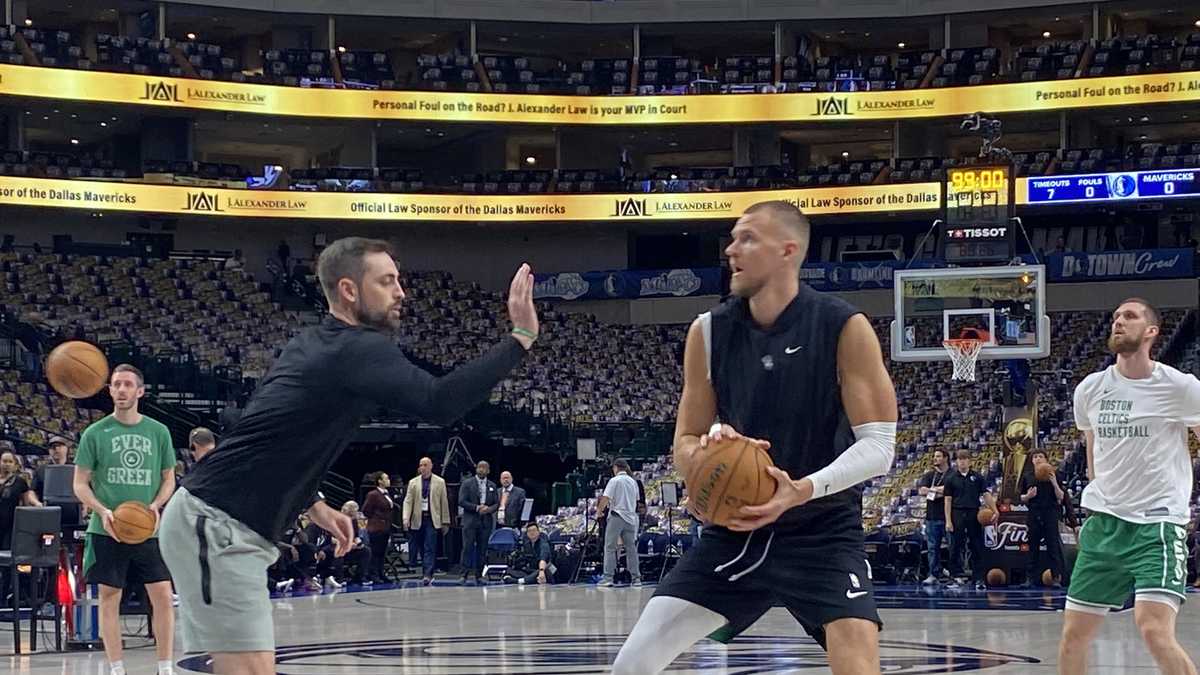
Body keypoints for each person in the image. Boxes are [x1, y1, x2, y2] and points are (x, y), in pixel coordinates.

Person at [159, 237, 538, 675]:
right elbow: (440, 401)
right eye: (387, 281)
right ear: (349, 290)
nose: (401, 292)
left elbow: (267, 433)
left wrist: (314, 504)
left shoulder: (312, 343)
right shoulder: (357, 349)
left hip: (222, 523)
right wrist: (520, 338)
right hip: (216, 524)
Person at [612, 201, 897, 674]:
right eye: (732, 237)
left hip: (821, 532)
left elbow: (880, 447)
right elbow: (685, 440)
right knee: (630, 666)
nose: (731, 250)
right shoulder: (708, 332)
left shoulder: (843, 326)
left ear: (788, 251)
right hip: (735, 531)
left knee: (859, 664)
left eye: (747, 239)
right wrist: (704, 454)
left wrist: (799, 490)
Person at [1058, 298, 1199, 675]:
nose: (1119, 321)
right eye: (1116, 316)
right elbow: (1093, 446)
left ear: (1151, 331)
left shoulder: (1180, 387)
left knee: (1153, 629)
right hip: (1104, 523)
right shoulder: (1090, 389)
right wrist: (1097, 491)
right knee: (1073, 637)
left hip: (1157, 524)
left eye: (1130, 316)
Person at [72, 364, 177, 675]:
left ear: (140, 391)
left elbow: (168, 478)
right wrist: (101, 510)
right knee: (109, 597)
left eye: (128, 385)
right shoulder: (95, 433)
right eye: (116, 384)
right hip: (107, 528)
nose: (121, 390)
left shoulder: (158, 431)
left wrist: (156, 505)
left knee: (162, 594)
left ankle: (166, 667)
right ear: (110, 390)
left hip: (148, 527)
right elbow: (80, 483)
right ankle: (116, 668)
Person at [943, 449, 997, 591]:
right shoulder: (950, 478)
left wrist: (994, 509)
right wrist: (948, 520)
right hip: (957, 513)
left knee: (976, 546)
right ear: (956, 461)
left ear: (970, 461)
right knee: (955, 546)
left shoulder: (977, 477)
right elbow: (947, 500)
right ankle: (955, 576)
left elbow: (985, 494)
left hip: (974, 513)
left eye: (965, 459)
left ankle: (978, 578)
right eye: (960, 459)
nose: (962, 461)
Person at [1018, 449, 1064, 588]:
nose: (1038, 459)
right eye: (1035, 457)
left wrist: (1054, 482)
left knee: (1053, 546)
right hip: (1034, 513)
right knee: (1032, 547)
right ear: (1032, 460)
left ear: (1046, 459)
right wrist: (1028, 496)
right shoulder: (1027, 476)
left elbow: (1061, 496)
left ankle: (1056, 578)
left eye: (1040, 456)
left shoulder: (1054, 474)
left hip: (1050, 512)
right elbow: (1020, 497)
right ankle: (1030, 578)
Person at [404, 457, 450, 585]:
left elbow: (443, 502)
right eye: (420, 465)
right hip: (417, 519)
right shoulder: (413, 482)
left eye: (425, 465)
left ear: (431, 466)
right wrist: (405, 518)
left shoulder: (440, 482)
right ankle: (425, 570)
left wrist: (445, 521)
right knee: (421, 547)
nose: (422, 467)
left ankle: (427, 574)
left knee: (429, 546)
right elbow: (408, 502)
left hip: (432, 519)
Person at [597, 458, 642, 587]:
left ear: (616, 468)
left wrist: (599, 511)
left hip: (617, 516)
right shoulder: (633, 482)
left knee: (610, 548)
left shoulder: (614, 481)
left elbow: (606, 498)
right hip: (631, 518)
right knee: (631, 549)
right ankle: (636, 578)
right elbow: (636, 500)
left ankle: (608, 578)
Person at [458, 460, 499, 583]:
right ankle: (463, 574)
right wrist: (476, 508)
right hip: (470, 520)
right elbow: (461, 501)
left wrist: (489, 509)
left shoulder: (492, 485)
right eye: (480, 467)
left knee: (482, 549)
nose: (482, 470)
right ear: (476, 469)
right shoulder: (467, 483)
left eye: (484, 468)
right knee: (467, 547)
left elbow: (496, 503)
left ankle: (479, 575)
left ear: (488, 471)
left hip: (486, 521)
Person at [917, 448, 950, 583]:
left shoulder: (952, 474)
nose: (935, 459)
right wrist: (939, 491)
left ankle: (954, 574)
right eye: (934, 456)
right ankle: (933, 574)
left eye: (938, 456)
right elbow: (922, 490)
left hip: (948, 517)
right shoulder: (930, 475)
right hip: (931, 517)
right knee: (932, 548)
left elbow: (951, 490)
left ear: (946, 458)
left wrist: (936, 490)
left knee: (953, 547)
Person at [362, 471, 395, 584]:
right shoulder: (373, 494)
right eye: (386, 478)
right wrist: (376, 519)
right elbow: (366, 510)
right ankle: (374, 574)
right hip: (376, 527)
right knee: (375, 552)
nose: (388, 480)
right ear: (380, 481)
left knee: (382, 552)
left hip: (386, 527)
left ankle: (381, 573)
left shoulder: (387, 493)